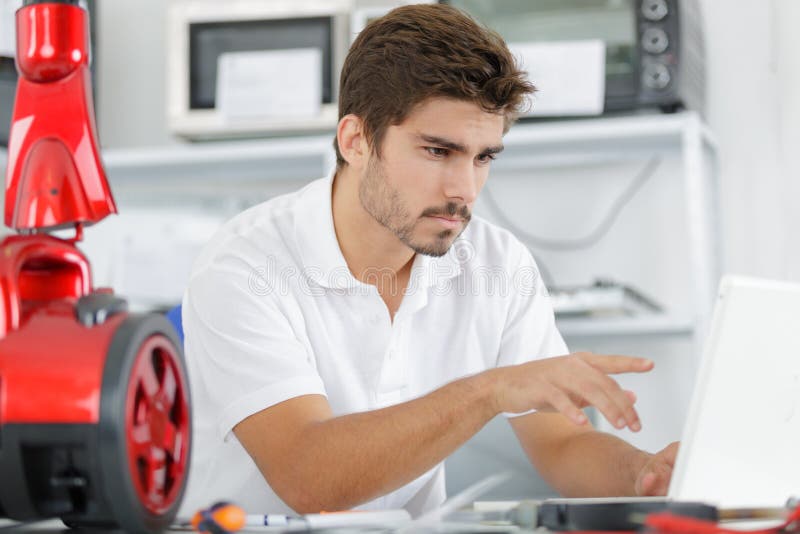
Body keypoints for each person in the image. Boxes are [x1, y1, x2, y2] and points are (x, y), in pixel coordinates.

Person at [178, 3, 678, 518]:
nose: (464, 190)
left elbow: (560, 443)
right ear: (356, 141)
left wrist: (644, 473)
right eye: (438, 151)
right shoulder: (244, 266)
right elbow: (310, 477)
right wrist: (489, 391)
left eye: (483, 157)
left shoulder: (498, 264)